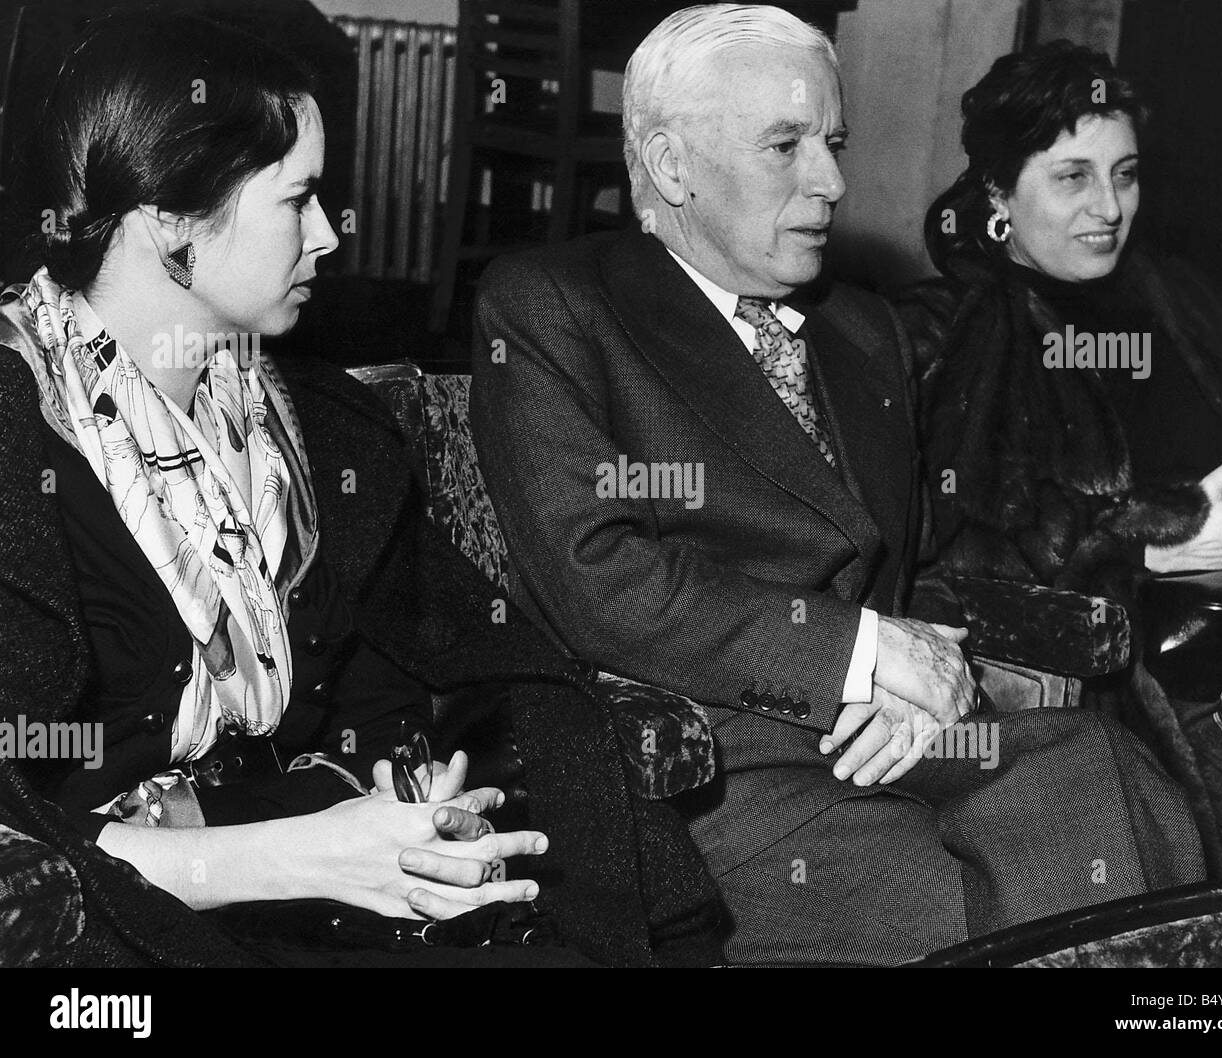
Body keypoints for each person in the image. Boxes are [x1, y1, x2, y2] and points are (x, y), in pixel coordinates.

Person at [469, 3, 1206, 967]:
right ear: (670, 164)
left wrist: (919, 666)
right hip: (707, 767)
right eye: (787, 145)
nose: (832, 181)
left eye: (833, 141)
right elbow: (598, 576)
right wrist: (859, 655)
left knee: (1107, 775)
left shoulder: (862, 331)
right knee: (1021, 918)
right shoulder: (558, 307)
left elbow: (921, 557)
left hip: (899, 739)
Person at [0, 10, 720, 968]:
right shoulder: (19, 438)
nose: (329, 236)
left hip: (321, 876)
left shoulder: (311, 419)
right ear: (171, 224)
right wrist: (302, 856)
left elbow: (400, 653)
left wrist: (410, 793)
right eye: (296, 199)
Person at [894, 40, 1222, 873]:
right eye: (1073, 176)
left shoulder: (1172, 301)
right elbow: (951, 553)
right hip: (1133, 697)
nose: (1109, 206)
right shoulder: (955, 330)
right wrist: (1154, 545)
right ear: (1000, 192)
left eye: (1126, 173)